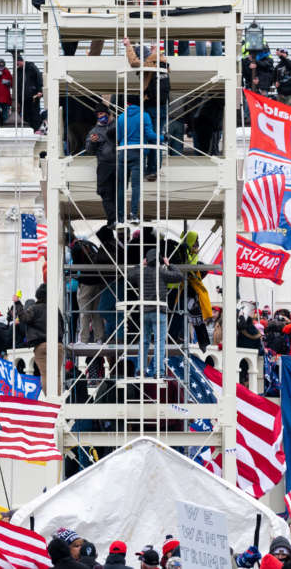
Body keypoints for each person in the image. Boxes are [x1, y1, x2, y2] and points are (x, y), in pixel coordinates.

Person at [126, 249, 184, 378]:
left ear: (147, 260)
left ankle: (140, 369)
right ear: (158, 260)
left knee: (144, 341)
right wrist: (169, 264)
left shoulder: (140, 272)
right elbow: (179, 276)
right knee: (159, 342)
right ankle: (158, 371)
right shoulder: (162, 272)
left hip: (145, 311)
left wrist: (140, 265)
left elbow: (129, 276)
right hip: (159, 311)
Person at [116, 98, 158, 224]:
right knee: (136, 186)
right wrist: (163, 137)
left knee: (122, 187)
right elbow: (150, 135)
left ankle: (120, 216)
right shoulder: (144, 115)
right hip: (137, 153)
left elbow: (118, 137)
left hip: (123, 152)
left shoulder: (121, 117)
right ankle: (133, 214)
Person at [87, 104, 118, 226]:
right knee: (105, 193)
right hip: (104, 165)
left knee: (117, 194)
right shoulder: (94, 131)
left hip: (118, 163)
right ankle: (112, 219)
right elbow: (89, 150)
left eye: (102, 114)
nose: (100, 117)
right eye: (98, 115)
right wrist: (93, 143)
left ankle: (118, 219)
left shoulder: (118, 125)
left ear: (109, 114)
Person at [16, 55, 44, 131]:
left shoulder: (32, 68)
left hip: (33, 96)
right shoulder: (18, 71)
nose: (17, 65)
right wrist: (18, 99)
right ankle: (27, 130)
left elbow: (39, 78)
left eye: (18, 63)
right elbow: (17, 85)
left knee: (34, 113)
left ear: (21, 61)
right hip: (23, 97)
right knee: (25, 114)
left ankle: (35, 129)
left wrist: (40, 91)